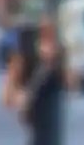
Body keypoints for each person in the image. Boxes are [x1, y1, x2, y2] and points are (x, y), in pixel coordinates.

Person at [5, 15, 66, 145]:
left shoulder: (59, 51)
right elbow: (15, 71)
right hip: (35, 100)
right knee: (40, 135)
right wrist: (14, 94)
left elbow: (69, 80)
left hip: (49, 99)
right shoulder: (27, 50)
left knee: (49, 135)